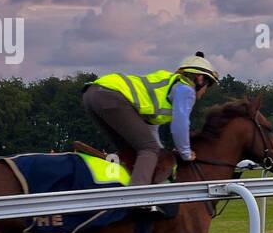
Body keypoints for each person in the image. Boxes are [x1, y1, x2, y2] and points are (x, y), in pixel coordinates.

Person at [82, 53, 219, 188]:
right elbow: (180, 125)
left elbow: (150, 129)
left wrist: (161, 153)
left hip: (91, 95)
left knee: (130, 151)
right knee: (148, 149)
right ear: (200, 79)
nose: (204, 92)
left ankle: (118, 186)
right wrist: (186, 153)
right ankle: (135, 198)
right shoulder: (186, 90)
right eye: (208, 86)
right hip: (110, 95)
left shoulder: (169, 85)